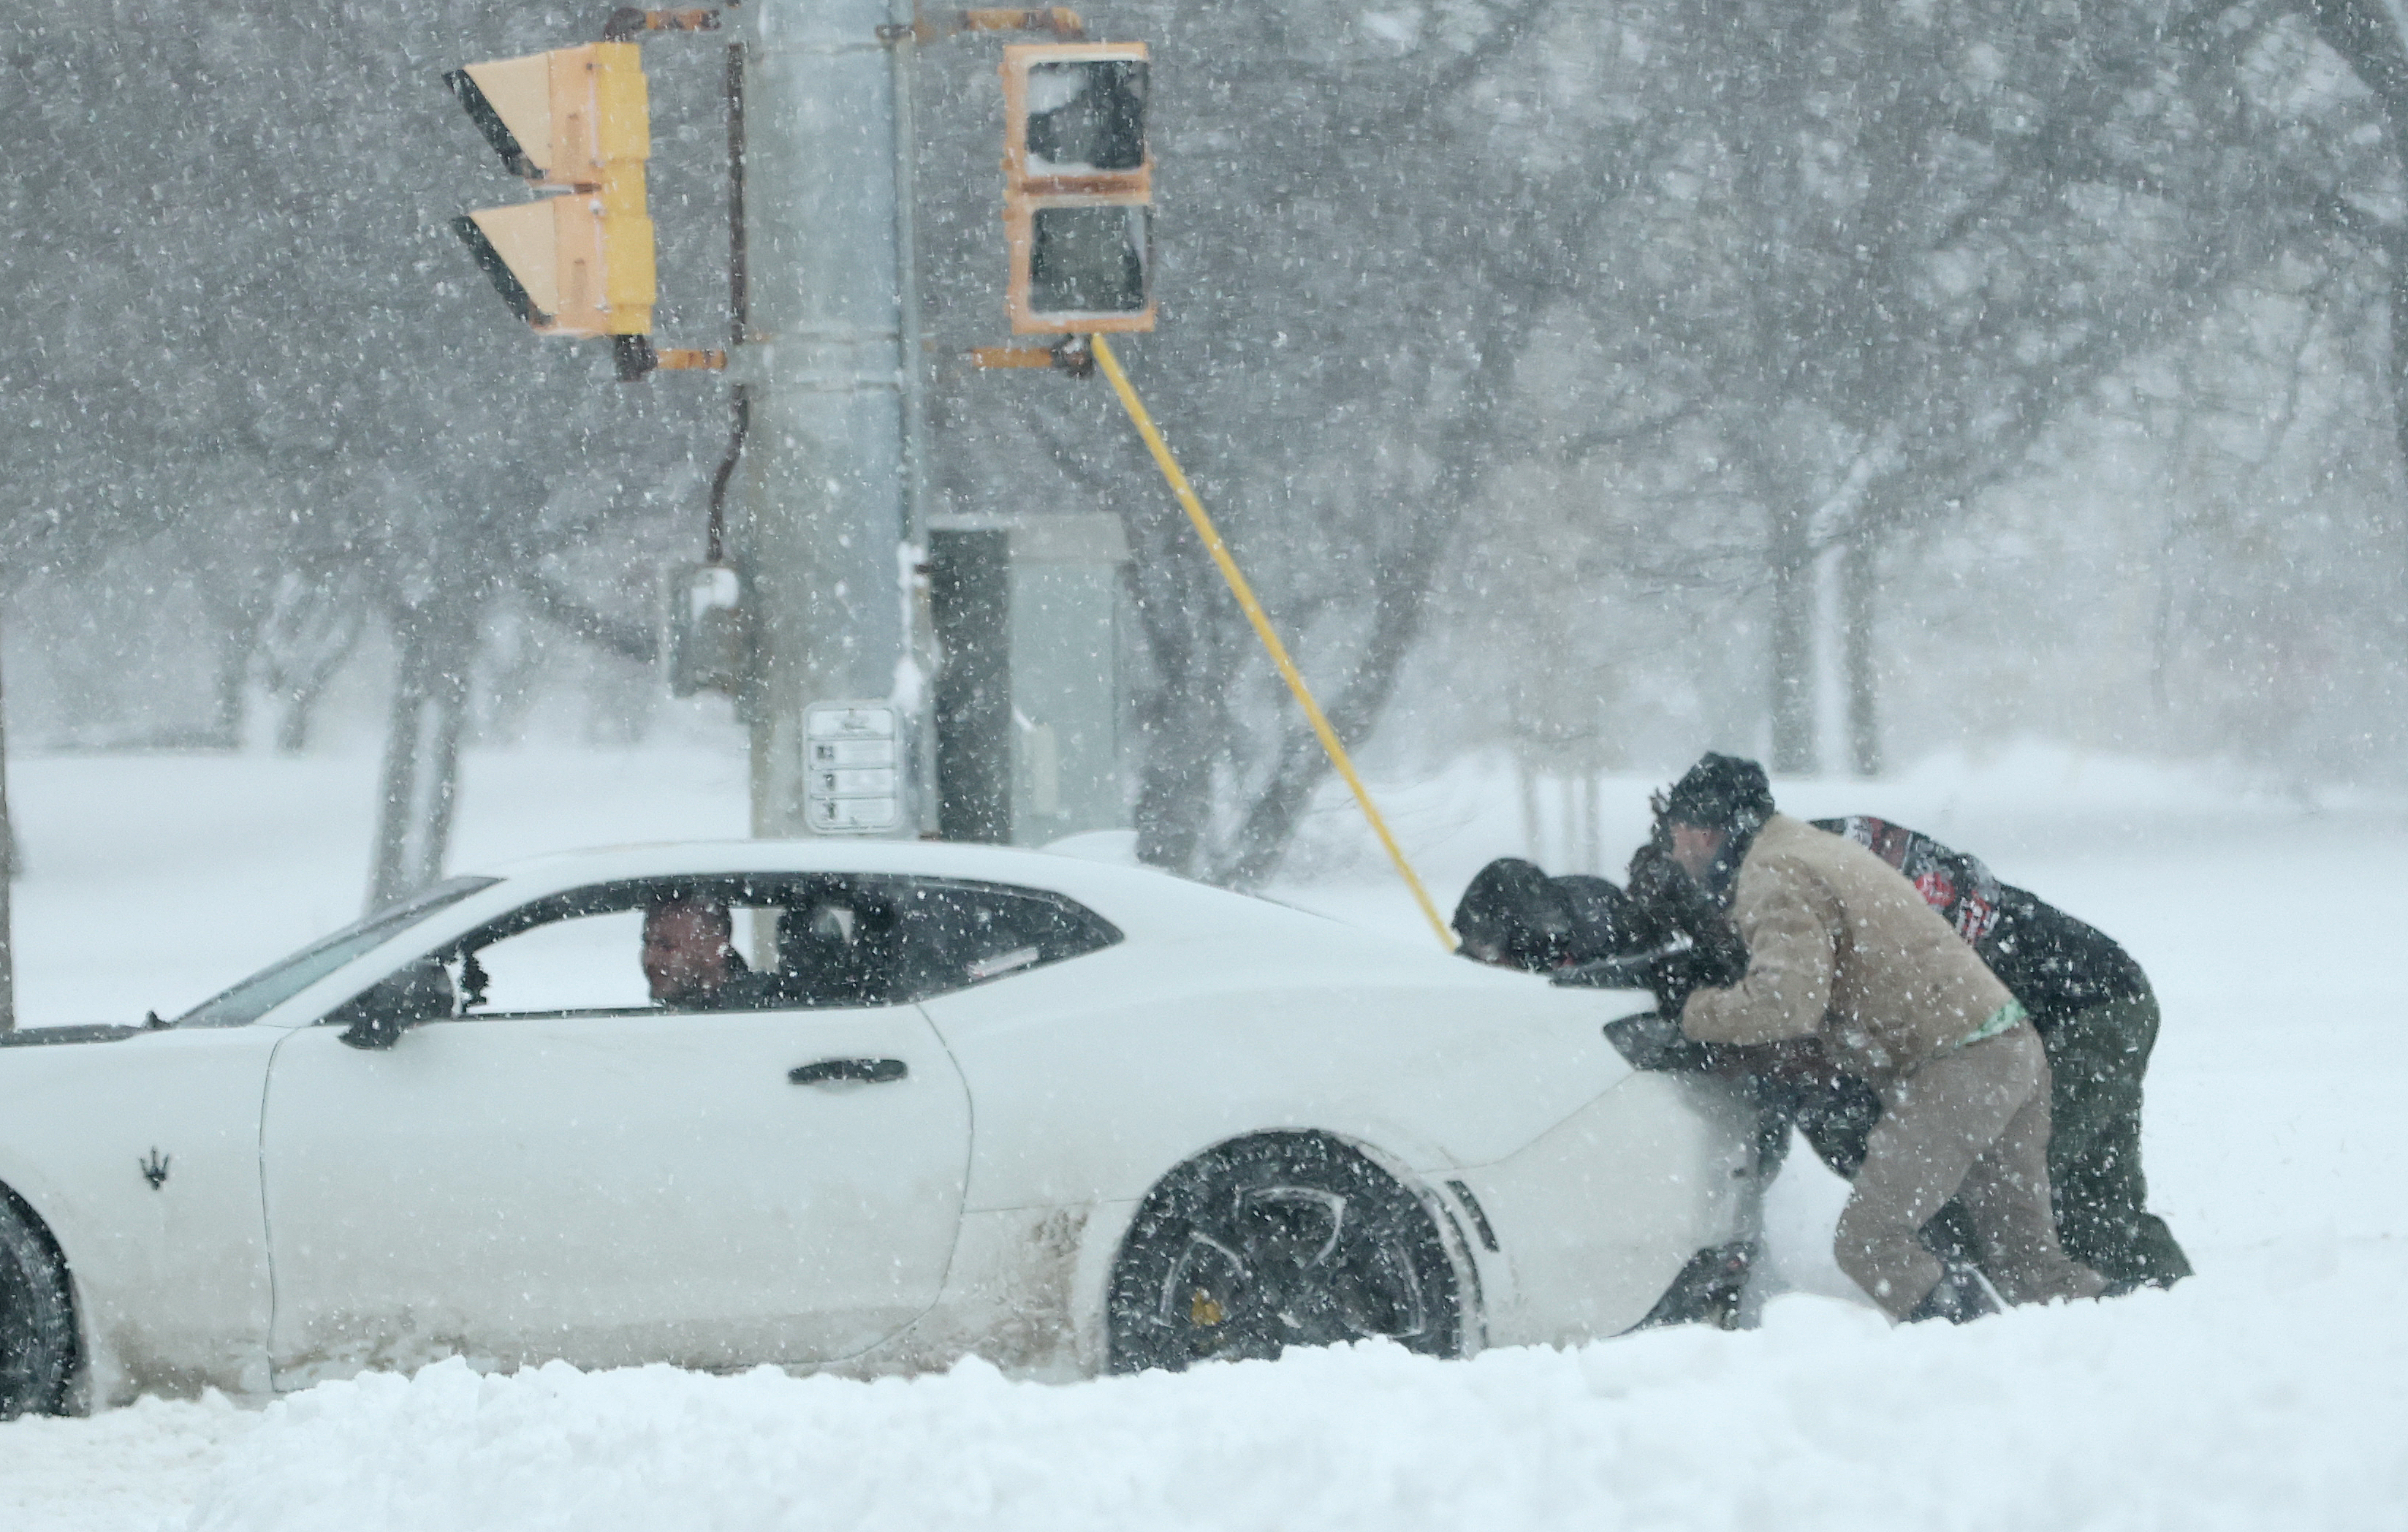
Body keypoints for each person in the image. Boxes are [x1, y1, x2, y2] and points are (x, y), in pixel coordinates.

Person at [1656, 754, 2106, 1322]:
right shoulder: (1802, 846)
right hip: (2009, 1043)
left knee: (1870, 1242)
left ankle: (1964, 1348)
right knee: (2031, 1267)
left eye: (1675, 836)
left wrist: (1693, 1011)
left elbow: (1787, 1003)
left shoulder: (1770, 873)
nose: (1675, 853)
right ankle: (2116, 1336)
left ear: (1704, 830)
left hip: (1959, 1060)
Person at [1808, 816, 2189, 1291]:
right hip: (2100, 988)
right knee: (2096, 1202)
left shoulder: (1802, 872)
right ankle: (2174, 1305)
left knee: (2014, 1197)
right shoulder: (1833, 844)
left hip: (2072, 1012)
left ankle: (2007, 1321)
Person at [640, 895, 775, 1011]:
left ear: (714, 950)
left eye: (667, 946)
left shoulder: (765, 1016)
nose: (649, 959)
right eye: (647, 944)